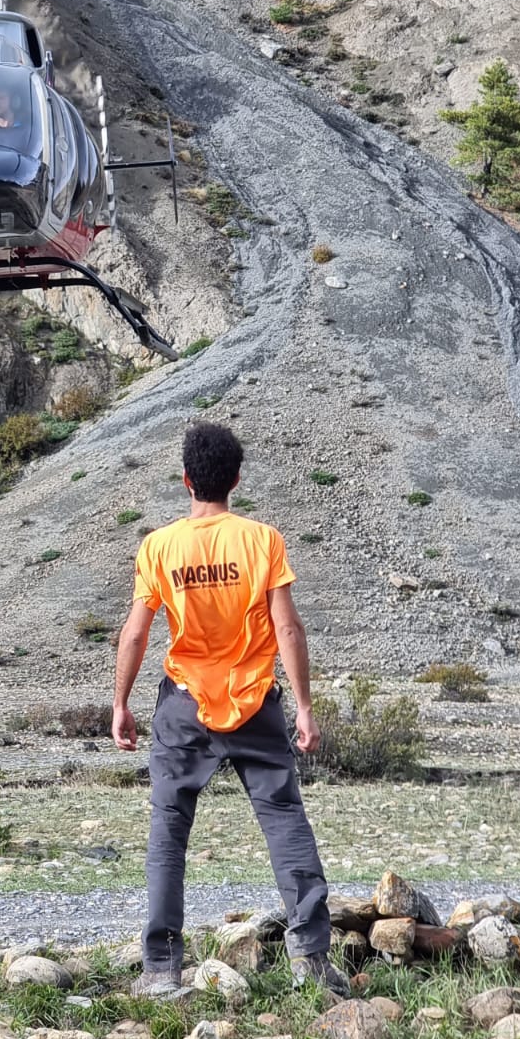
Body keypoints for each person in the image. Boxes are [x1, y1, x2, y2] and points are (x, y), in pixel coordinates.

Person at [112, 421, 348, 999]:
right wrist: (306, 707)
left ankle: (162, 970)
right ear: (236, 480)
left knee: (169, 833)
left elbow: (138, 634)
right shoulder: (262, 540)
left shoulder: (159, 546)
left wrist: (119, 703)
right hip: (255, 705)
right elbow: (287, 627)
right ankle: (312, 959)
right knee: (285, 822)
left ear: (187, 479)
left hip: (183, 706)